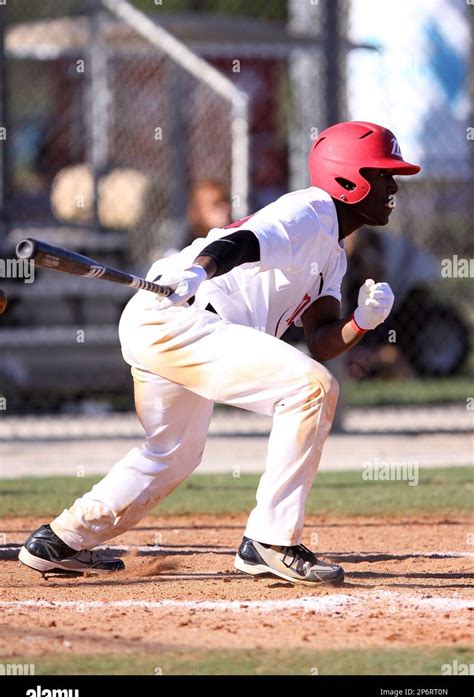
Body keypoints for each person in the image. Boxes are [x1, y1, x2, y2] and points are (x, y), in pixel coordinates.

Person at [19, 121, 420, 586]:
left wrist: (362, 323)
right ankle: (271, 541)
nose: (393, 185)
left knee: (173, 453)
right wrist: (198, 269)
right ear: (348, 180)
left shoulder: (333, 250)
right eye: (383, 174)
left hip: (175, 323)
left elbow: (322, 339)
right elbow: (242, 242)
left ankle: (59, 541)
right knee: (311, 389)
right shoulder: (310, 210)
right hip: (184, 314)